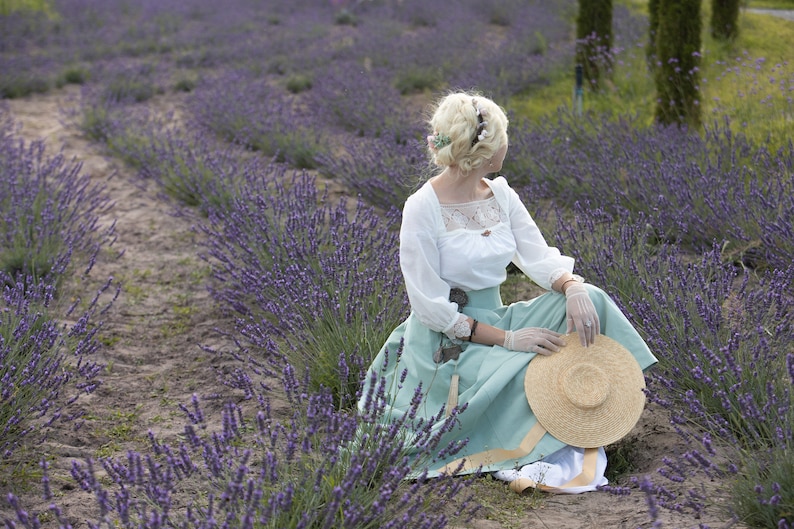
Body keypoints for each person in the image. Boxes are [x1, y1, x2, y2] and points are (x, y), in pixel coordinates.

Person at [358, 91, 658, 493]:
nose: (507, 143)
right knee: (524, 369)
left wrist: (572, 286)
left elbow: (537, 256)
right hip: (449, 341)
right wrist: (510, 340)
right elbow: (431, 309)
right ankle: (547, 429)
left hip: (494, 316)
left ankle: (606, 400)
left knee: (594, 300)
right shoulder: (422, 207)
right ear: (482, 150)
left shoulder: (501, 194)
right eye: (503, 136)